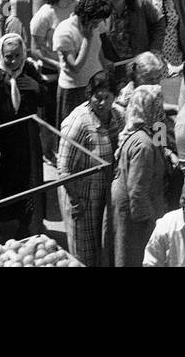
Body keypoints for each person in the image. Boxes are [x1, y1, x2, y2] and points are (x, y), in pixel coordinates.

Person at [0, 33, 44, 241]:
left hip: (27, 142)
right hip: (3, 144)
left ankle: (26, 225)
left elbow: (45, 99)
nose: (13, 61)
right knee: (1, 186)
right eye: (8, 56)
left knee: (28, 183)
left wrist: (36, 88)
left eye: (17, 55)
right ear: (1, 55)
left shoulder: (29, 71)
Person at [57, 70, 122, 267]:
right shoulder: (78, 122)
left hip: (105, 198)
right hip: (83, 201)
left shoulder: (118, 116)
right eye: (97, 97)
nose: (102, 103)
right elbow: (64, 169)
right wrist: (76, 203)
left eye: (107, 97)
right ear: (89, 95)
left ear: (115, 97)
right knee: (84, 256)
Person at [109, 82, 170, 267]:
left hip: (146, 202)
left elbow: (161, 144)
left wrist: (168, 155)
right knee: (134, 256)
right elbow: (137, 193)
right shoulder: (143, 145)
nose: (162, 111)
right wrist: (151, 226)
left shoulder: (148, 127)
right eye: (157, 106)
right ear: (149, 109)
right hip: (137, 216)